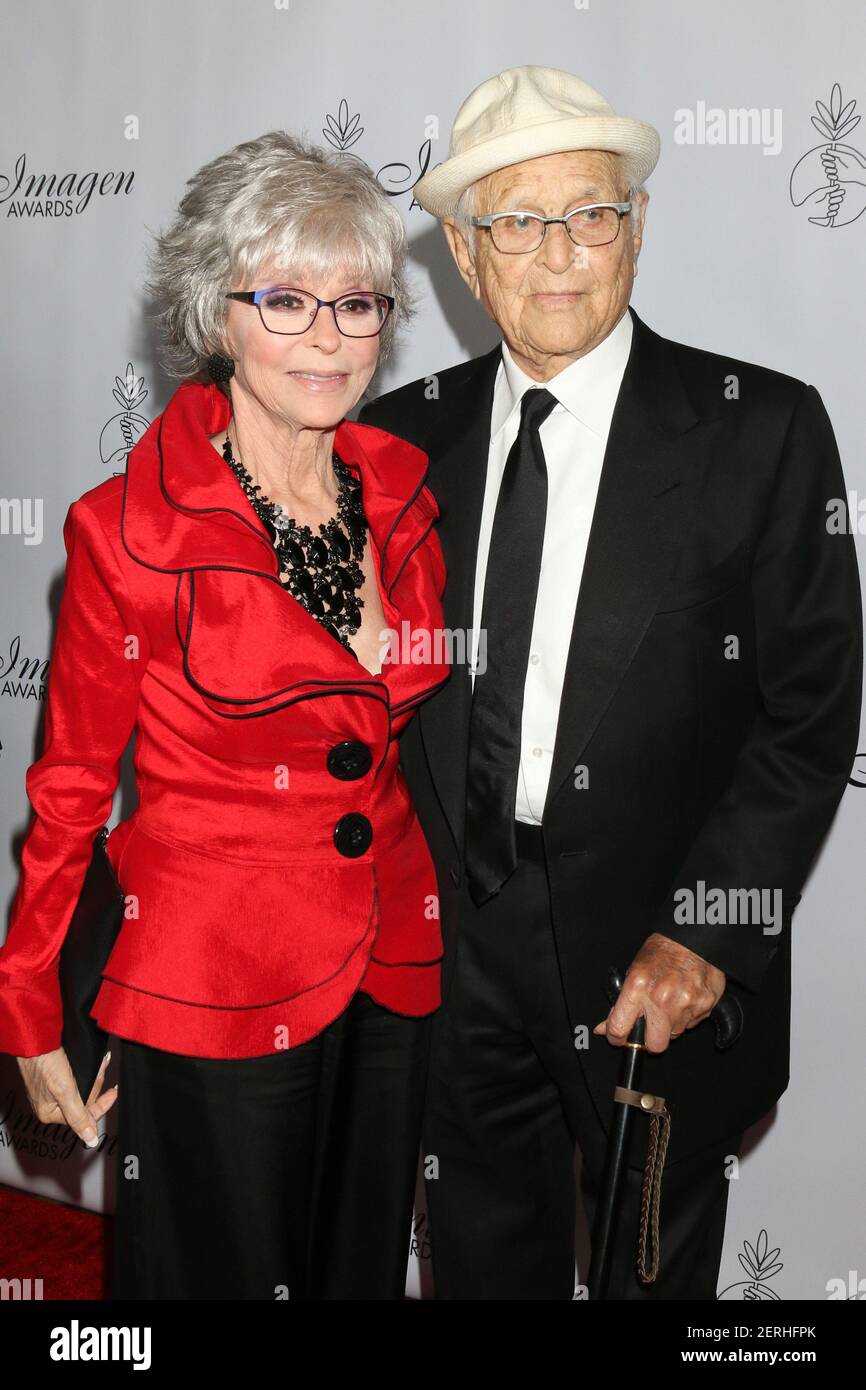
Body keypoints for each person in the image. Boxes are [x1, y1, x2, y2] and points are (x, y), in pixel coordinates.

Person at [358, 65, 863, 1298]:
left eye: (590, 213)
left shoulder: (760, 428)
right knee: (479, 1263)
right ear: (466, 263)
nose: (561, 255)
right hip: (456, 945)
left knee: (654, 1280)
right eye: (518, 222)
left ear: (634, 228)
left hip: (656, 953)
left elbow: (809, 714)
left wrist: (706, 932)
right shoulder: (401, 436)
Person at [0, 129, 450, 1300]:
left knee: (354, 1268)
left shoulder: (401, 488)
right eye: (285, 299)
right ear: (216, 314)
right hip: (211, 968)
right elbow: (70, 787)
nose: (327, 337)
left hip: (390, 959)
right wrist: (28, 1007)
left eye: (357, 303)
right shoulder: (128, 530)